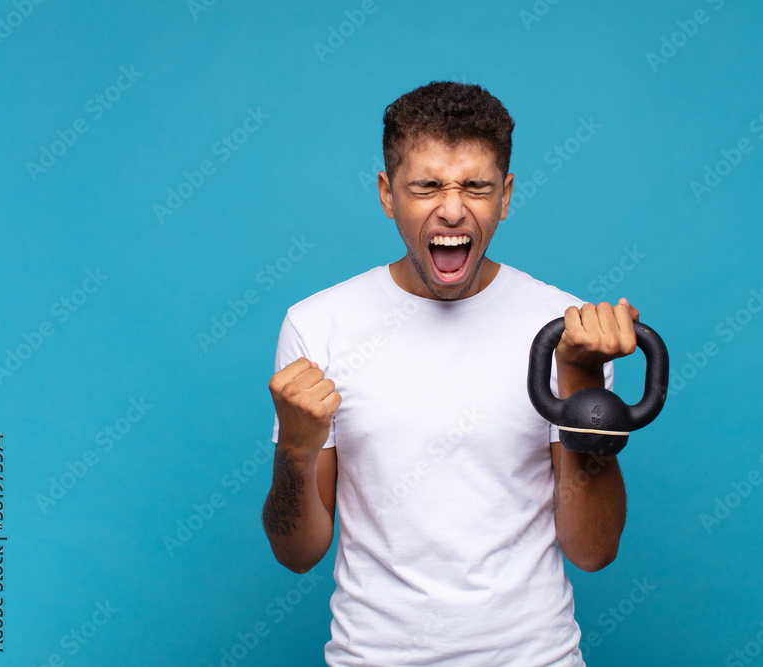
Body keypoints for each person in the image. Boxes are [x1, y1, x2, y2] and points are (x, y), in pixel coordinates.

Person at [262, 81, 641, 666]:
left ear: (506, 196)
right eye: (428, 185)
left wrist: (582, 386)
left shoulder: (564, 333)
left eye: (476, 187)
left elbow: (592, 550)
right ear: (388, 194)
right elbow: (298, 552)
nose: (453, 207)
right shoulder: (319, 325)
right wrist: (294, 448)